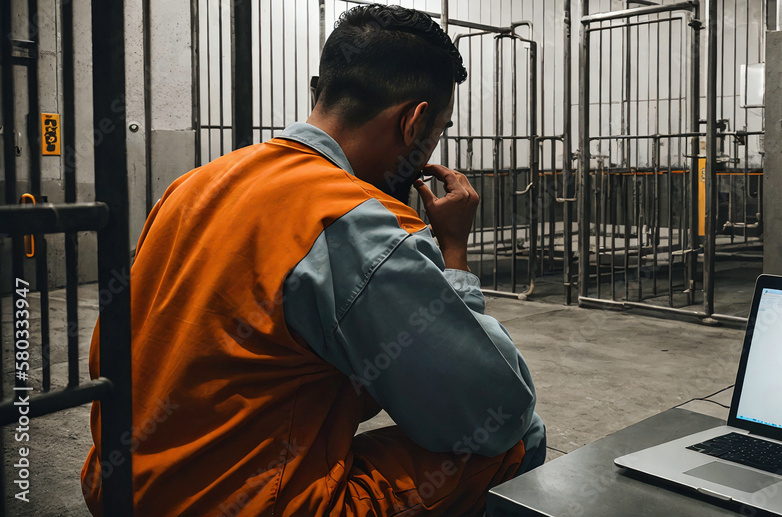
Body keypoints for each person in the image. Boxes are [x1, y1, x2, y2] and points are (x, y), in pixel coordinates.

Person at [81, 5, 545, 516]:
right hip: (243, 506)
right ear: (414, 123)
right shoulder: (354, 218)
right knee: (518, 435)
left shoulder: (194, 185)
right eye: (436, 131)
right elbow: (491, 406)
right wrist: (453, 253)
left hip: (120, 489)